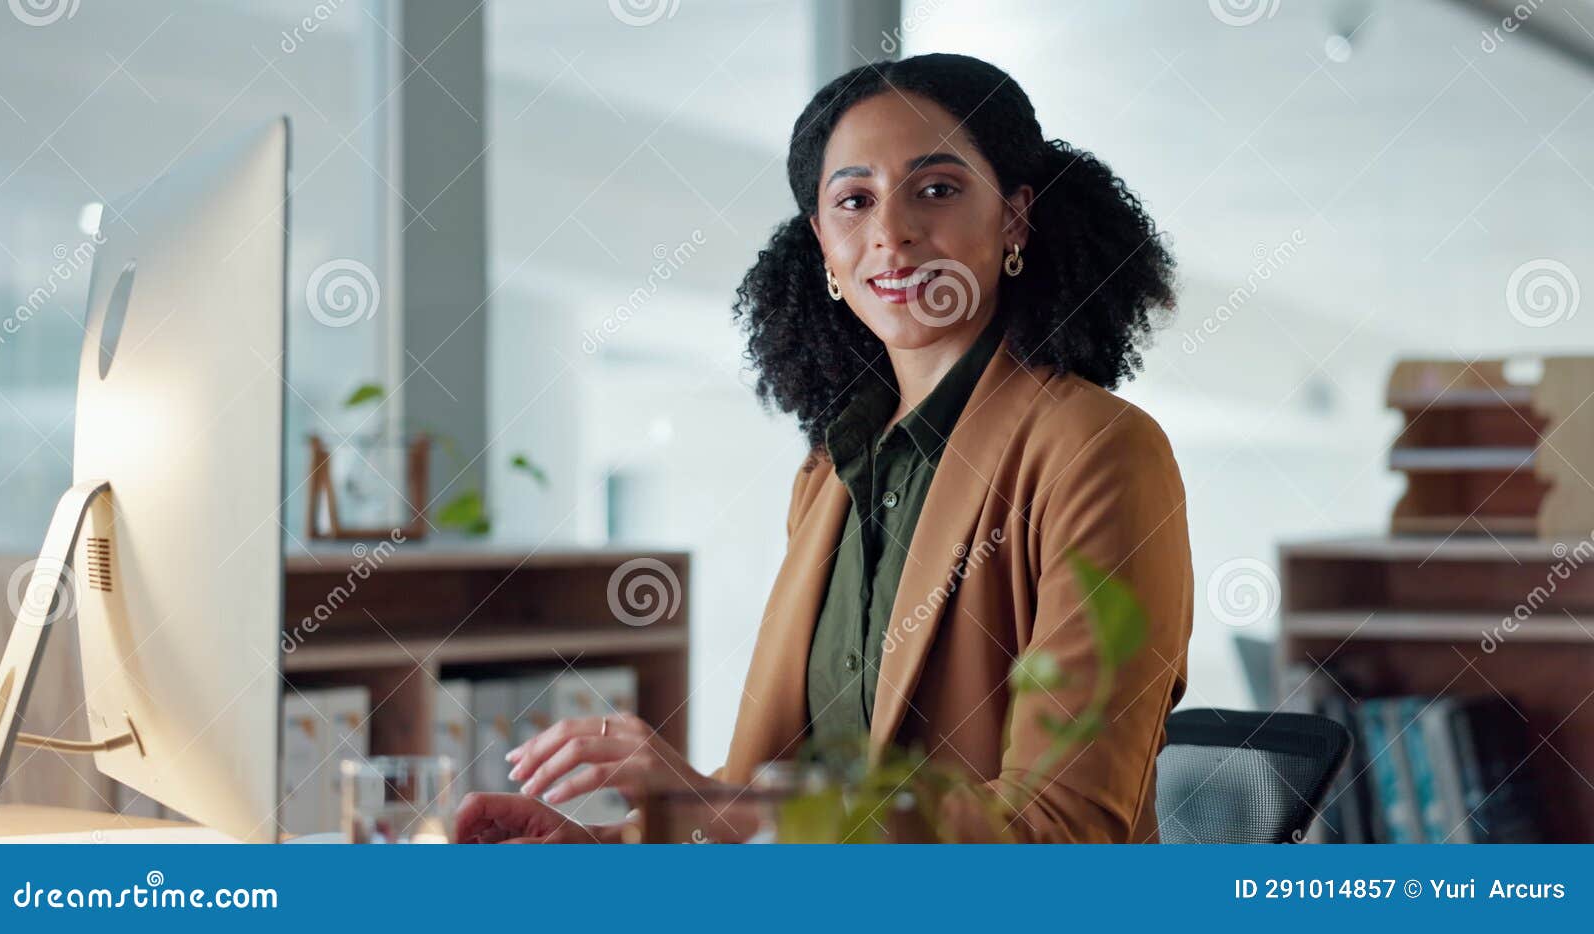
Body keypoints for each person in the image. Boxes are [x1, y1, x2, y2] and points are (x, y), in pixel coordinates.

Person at [457, 52, 1191, 845]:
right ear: (822, 246)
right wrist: (605, 856)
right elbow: (785, 835)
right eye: (854, 201)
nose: (892, 233)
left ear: (1014, 216)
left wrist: (720, 806)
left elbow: (1066, 835)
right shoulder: (827, 477)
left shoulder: (1100, 452)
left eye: (936, 190)